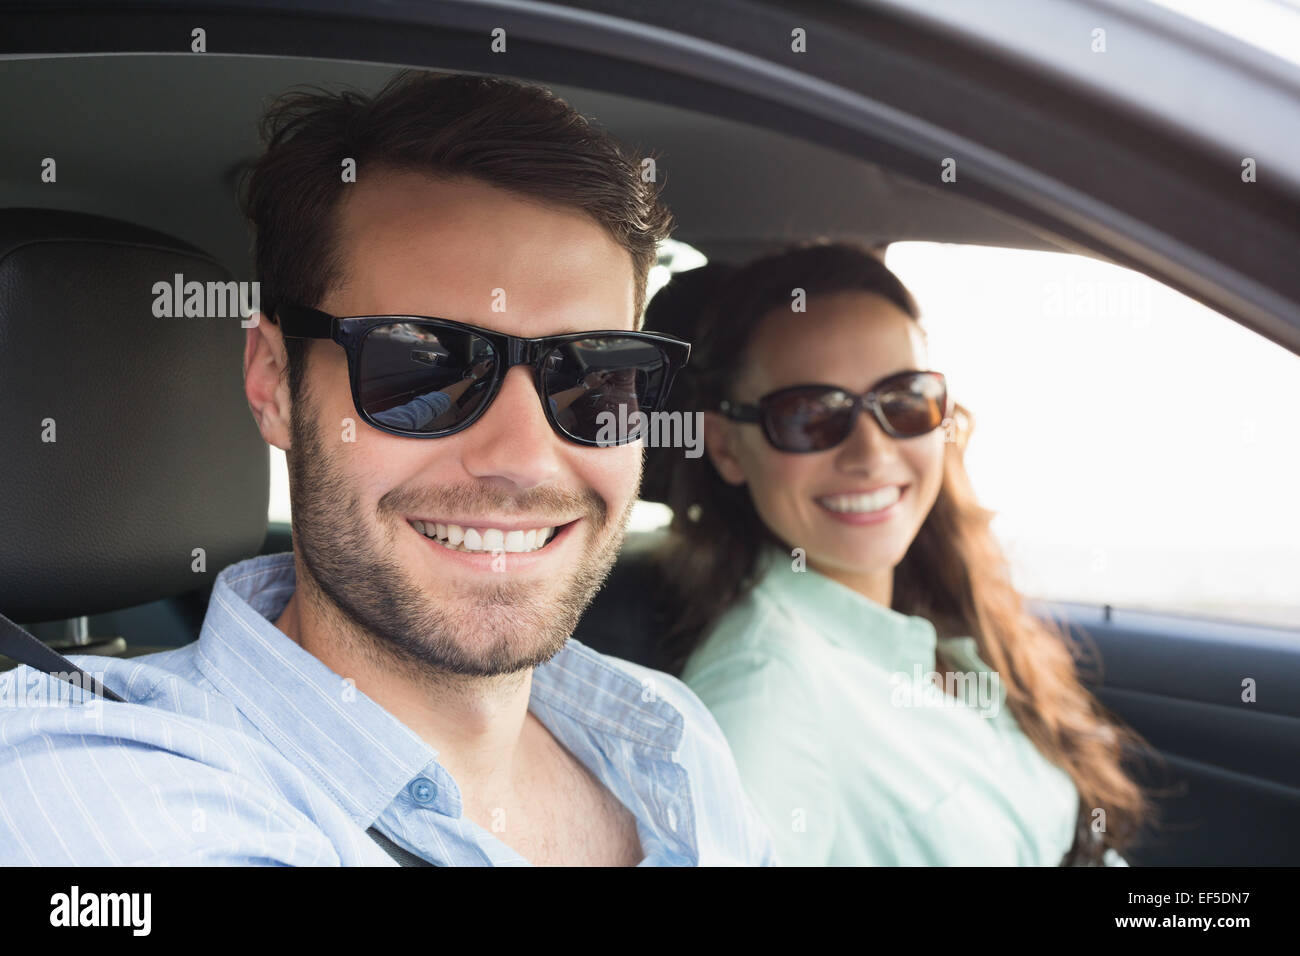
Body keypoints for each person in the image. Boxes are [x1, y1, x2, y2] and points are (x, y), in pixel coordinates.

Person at [0, 71, 775, 867]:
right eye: (421, 368)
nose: (520, 459)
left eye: (594, 374)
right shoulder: (91, 789)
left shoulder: (669, 735)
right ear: (272, 381)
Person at [657, 240, 1148, 866]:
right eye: (810, 415)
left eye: (904, 400)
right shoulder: (766, 692)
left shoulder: (934, 617)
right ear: (725, 447)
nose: (871, 452)